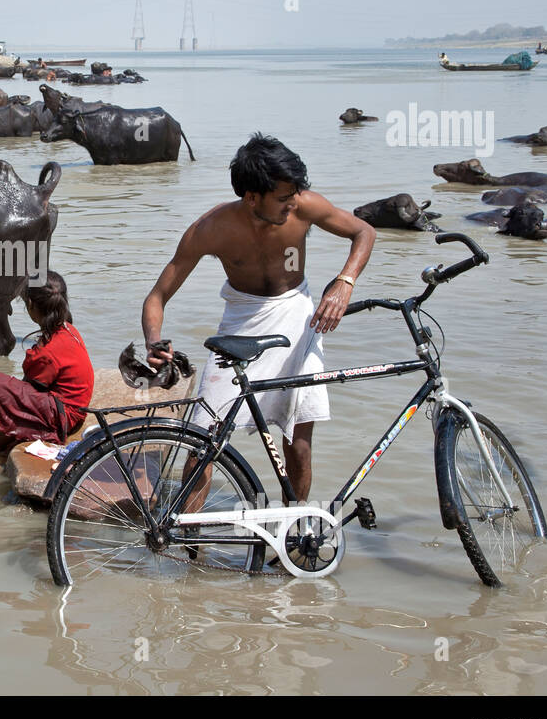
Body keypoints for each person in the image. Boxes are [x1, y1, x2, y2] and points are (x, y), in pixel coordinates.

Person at [140, 133, 374, 502]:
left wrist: (345, 281)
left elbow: (363, 231)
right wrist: (154, 341)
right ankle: (185, 538)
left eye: (295, 193)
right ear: (251, 197)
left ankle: (294, 538)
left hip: (299, 318)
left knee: (298, 442)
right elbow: (157, 296)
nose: (292, 204)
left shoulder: (304, 208)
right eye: (283, 197)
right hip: (241, 320)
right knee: (204, 440)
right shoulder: (212, 228)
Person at [0, 272, 93, 459]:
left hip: (64, 415)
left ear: (30, 305)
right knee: (0, 393)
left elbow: (29, 388)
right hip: (69, 409)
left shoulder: (47, 351)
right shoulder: (68, 329)